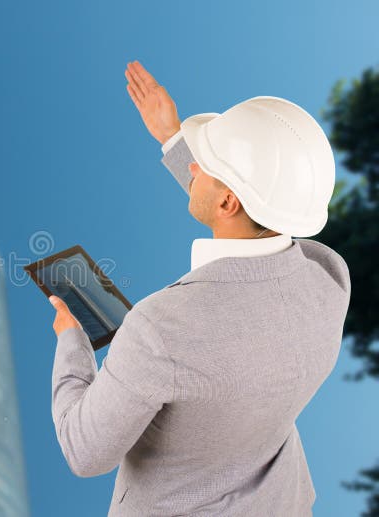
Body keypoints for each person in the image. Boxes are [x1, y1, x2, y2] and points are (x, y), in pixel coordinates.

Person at [48, 60, 351, 516]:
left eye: (203, 165)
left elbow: (85, 452)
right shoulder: (328, 278)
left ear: (228, 200)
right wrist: (171, 136)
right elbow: (245, 215)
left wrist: (71, 341)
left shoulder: (160, 329)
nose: (191, 165)